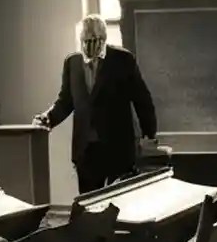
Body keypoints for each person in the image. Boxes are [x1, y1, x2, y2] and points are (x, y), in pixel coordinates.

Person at [34, 14, 158, 193]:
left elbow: (142, 99)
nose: (87, 46)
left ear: (104, 39)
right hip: (85, 150)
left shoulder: (123, 60)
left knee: (121, 203)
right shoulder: (72, 63)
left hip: (117, 147)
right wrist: (48, 118)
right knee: (89, 206)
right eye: (84, 41)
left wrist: (149, 134)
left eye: (93, 40)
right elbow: (66, 100)